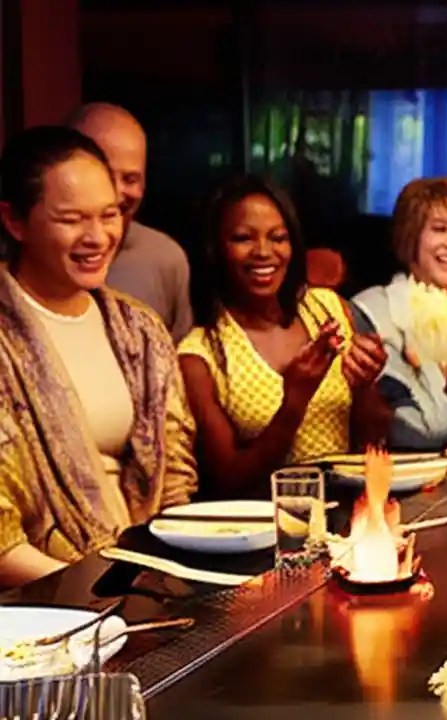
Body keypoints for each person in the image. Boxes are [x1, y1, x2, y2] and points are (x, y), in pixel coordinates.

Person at [0, 127, 197, 588]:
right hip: (36, 608)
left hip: (142, 583)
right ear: (14, 221)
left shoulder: (140, 330)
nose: (98, 236)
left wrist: (173, 579)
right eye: (71, 219)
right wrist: (103, 591)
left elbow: (174, 485)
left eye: (109, 215)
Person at [178, 177, 389, 499]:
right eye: (243, 238)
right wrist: (294, 403)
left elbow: (372, 444)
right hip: (262, 528)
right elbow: (227, 483)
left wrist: (364, 386)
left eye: (278, 237)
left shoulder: (325, 309)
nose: (264, 252)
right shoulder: (200, 354)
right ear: (216, 249)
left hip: (346, 512)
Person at [352, 178, 447, 457]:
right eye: (440, 229)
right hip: (397, 481)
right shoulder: (370, 312)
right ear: (411, 236)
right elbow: (422, 429)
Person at [67, 103, 193, 339]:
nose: (114, 193)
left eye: (130, 179)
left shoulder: (164, 258)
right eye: (103, 175)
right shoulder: (36, 257)